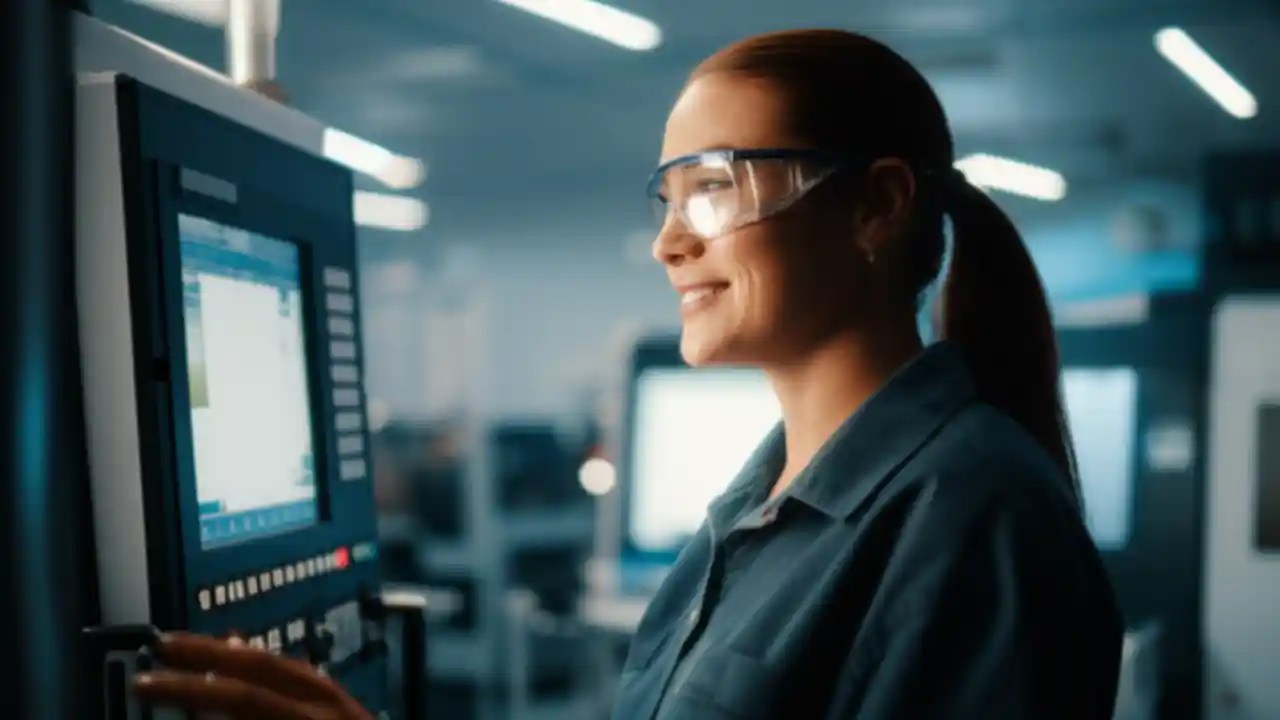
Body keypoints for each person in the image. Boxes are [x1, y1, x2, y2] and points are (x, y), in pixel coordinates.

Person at [134, 28, 1123, 720]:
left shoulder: (975, 525)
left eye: (712, 189)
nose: (666, 244)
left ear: (875, 206)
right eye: (665, 196)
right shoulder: (755, 513)